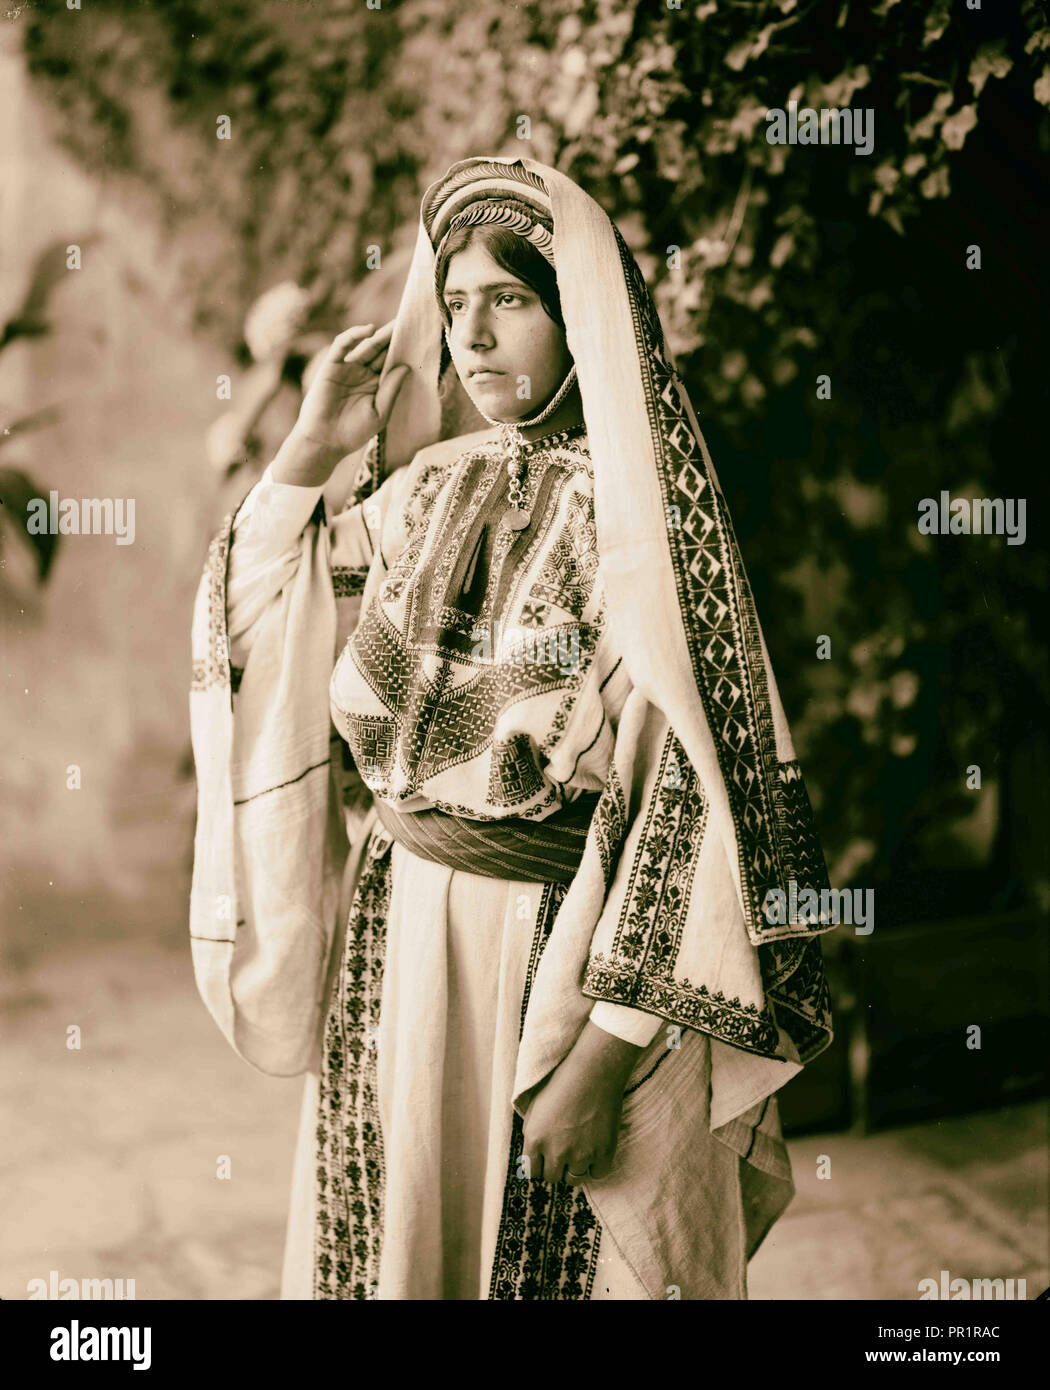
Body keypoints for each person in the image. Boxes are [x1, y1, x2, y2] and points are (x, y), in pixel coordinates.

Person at [189, 156, 835, 1301]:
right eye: (455, 304)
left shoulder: (647, 530)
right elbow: (254, 626)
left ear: (577, 315)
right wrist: (307, 452)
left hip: (558, 963)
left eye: (511, 300)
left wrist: (603, 1057)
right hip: (394, 941)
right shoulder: (418, 493)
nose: (475, 336)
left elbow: (689, 806)